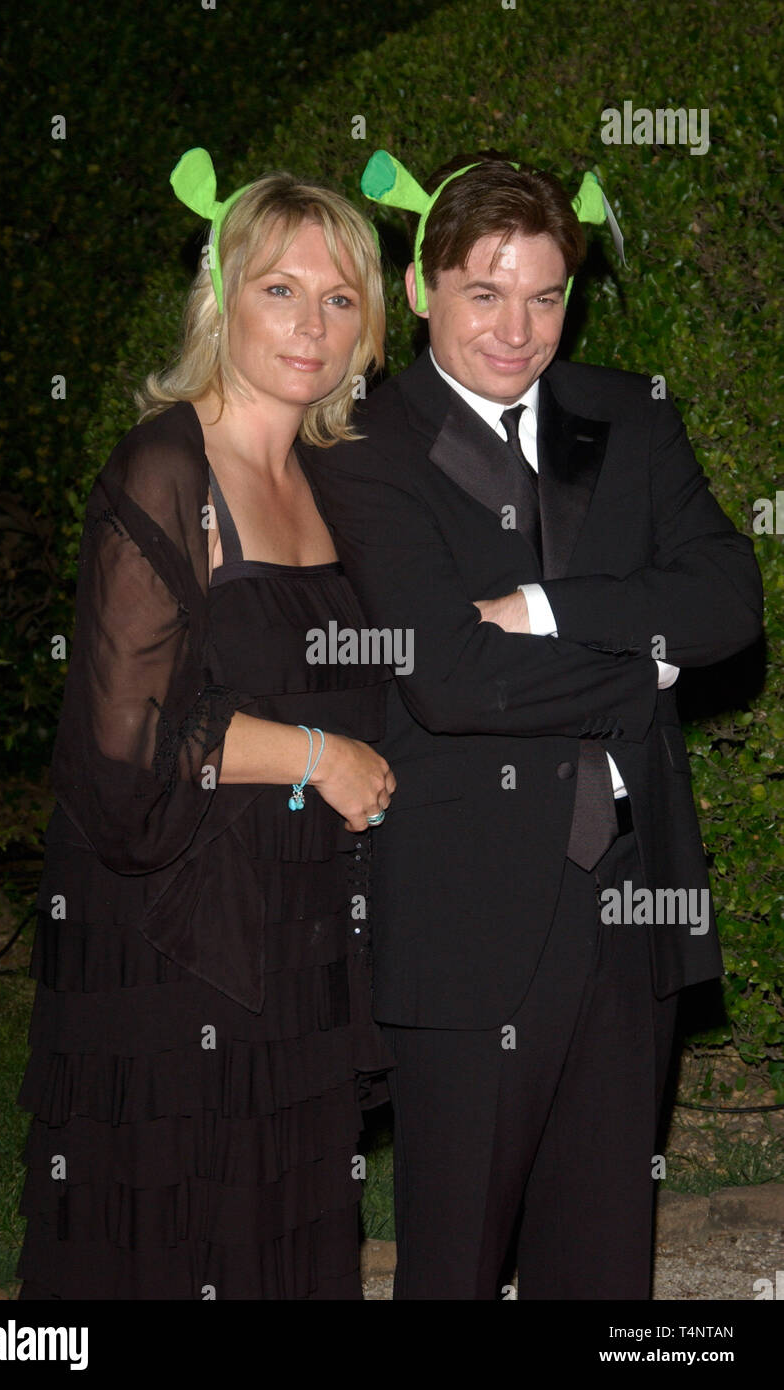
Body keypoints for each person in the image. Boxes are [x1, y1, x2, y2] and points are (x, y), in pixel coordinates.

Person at [299, 149, 763, 1299]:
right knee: (452, 1264)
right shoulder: (362, 440)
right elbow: (449, 679)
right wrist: (643, 671)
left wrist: (551, 609)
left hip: (631, 886)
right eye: (484, 292)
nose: (518, 329)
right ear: (420, 289)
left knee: (604, 1264)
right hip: (465, 913)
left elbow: (726, 601)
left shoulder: (631, 411)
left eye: (545, 294)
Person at [15, 149, 396, 1300]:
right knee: (183, 1239)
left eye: (339, 299)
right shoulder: (166, 467)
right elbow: (122, 750)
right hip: (182, 936)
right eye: (279, 288)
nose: (310, 323)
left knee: (288, 1233)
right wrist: (319, 757)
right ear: (220, 298)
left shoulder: (333, 479)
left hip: (297, 928)